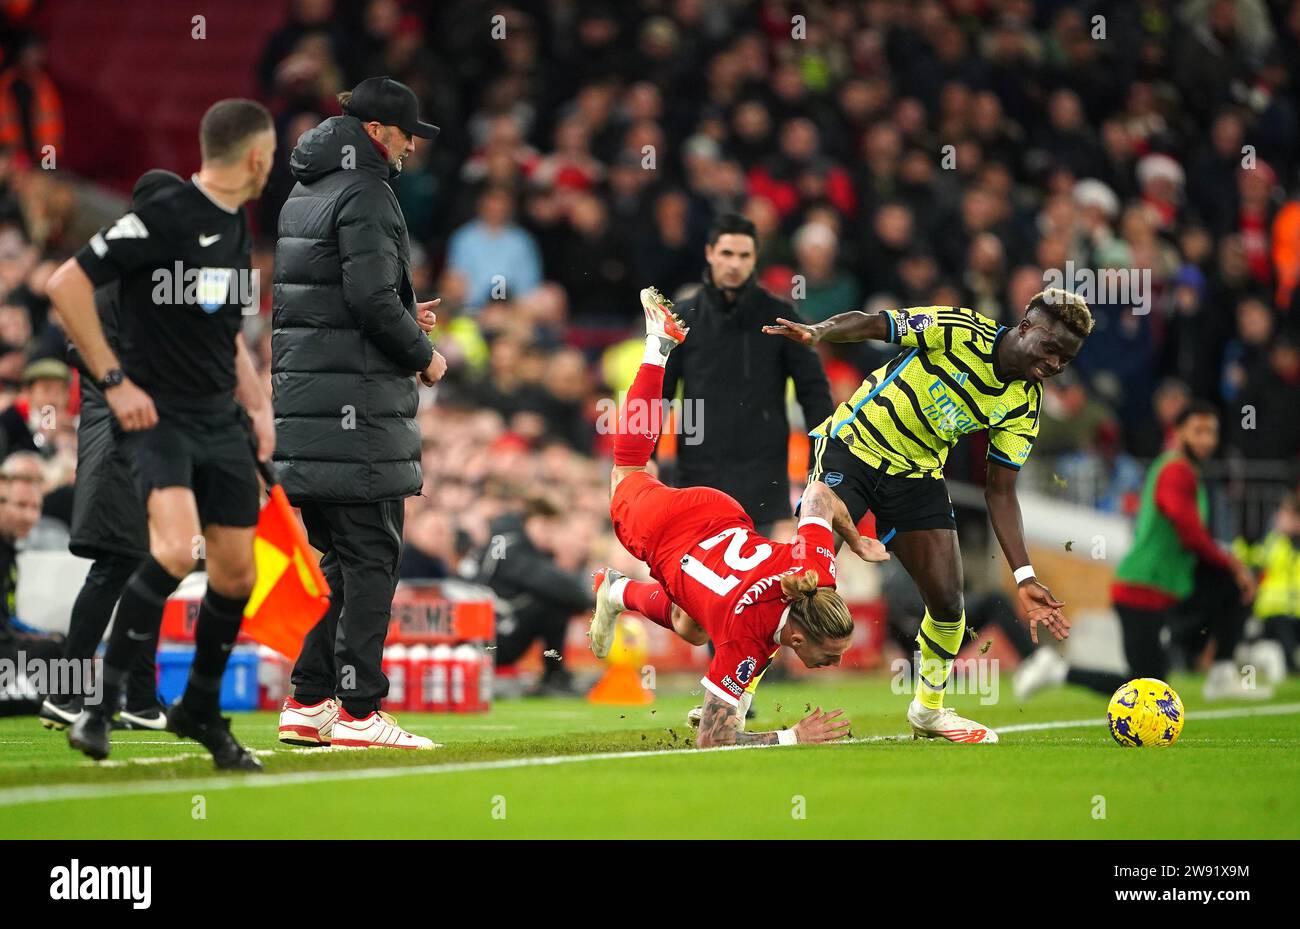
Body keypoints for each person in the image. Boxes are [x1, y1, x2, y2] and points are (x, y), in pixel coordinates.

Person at [46, 98, 278, 769]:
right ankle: (101, 702)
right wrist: (115, 381)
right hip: (163, 419)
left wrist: (259, 409)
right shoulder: (164, 215)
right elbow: (65, 285)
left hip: (220, 419)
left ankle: (200, 710)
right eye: (270, 157)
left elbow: (227, 331)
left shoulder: (235, 227)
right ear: (256, 157)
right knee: (176, 549)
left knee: (236, 573)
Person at [763, 289, 1088, 742]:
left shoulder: (1023, 405)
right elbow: (876, 322)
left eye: (1065, 360)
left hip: (915, 475)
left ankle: (928, 712)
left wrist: (1024, 575)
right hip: (853, 449)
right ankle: (732, 698)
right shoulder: (960, 329)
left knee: (949, 604)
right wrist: (821, 331)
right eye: (1051, 349)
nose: (1054, 365)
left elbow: (1000, 492)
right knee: (803, 578)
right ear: (1026, 326)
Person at [589, 287, 888, 748]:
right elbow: (712, 742)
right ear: (800, 640)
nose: (835, 665)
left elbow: (818, 495)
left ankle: (616, 590)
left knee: (690, 627)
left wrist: (855, 538)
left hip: (722, 512)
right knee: (628, 467)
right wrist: (792, 736)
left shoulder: (817, 571)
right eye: (829, 657)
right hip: (669, 531)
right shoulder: (746, 639)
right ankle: (658, 346)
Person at [273, 76, 446, 751]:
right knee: (371, 558)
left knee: (346, 565)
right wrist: (423, 352)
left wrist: (403, 311)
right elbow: (372, 304)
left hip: (310, 415)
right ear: (378, 131)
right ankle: (359, 711)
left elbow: (332, 300)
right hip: (357, 419)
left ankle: (309, 700)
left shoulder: (305, 190)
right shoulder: (368, 190)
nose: (410, 147)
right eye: (406, 134)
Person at [39, 170, 186, 734]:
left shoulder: (122, 270)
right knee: (118, 566)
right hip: (126, 437)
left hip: (129, 435)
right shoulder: (129, 271)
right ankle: (70, 696)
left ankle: (140, 698)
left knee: (145, 565)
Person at [1016, 403, 1267, 702]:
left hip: (1167, 588)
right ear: (1179, 432)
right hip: (1141, 590)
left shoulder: (1182, 469)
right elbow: (1189, 533)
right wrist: (1233, 565)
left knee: (1228, 588)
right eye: (1198, 431)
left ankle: (1217, 669)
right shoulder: (1176, 470)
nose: (1206, 440)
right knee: (1145, 686)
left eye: (1211, 432)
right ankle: (1058, 670)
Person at [662, 213, 831, 536]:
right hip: (698, 467)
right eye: (727, 253)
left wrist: (821, 462)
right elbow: (660, 390)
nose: (735, 264)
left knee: (753, 575)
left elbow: (814, 393)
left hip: (762, 472)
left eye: (744, 255)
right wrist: (649, 456)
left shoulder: (781, 317)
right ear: (710, 253)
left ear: (755, 258)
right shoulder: (683, 316)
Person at [475, 496, 592, 695]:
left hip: (496, 633)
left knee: (555, 599)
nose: (551, 537)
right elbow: (562, 588)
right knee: (554, 602)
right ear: (537, 522)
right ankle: (554, 676)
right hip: (487, 641)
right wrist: (594, 602)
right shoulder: (510, 547)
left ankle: (555, 674)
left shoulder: (512, 544)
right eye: (550, 529)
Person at [0, 452, 62, 716]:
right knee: (56, 655)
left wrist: (34, 634)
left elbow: (6, 618)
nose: (30, 517)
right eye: (21, 506)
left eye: (35, 507)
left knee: (61, 645)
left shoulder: (9, 553)